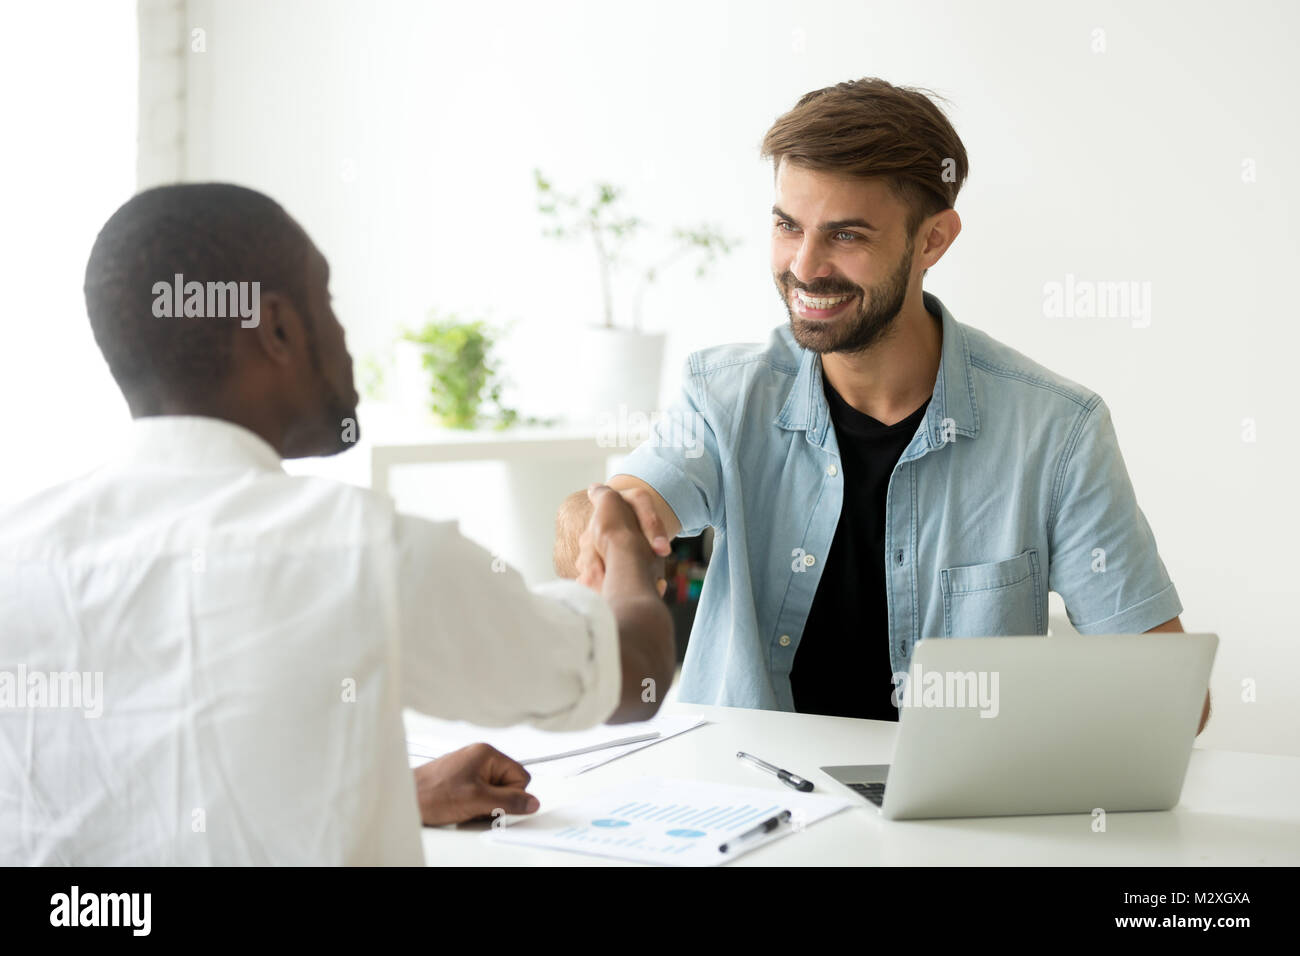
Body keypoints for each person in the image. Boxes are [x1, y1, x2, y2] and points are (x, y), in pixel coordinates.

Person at [0, 183, 674, 865]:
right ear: (280, 330)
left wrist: (393, 791)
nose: (346, 336)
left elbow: (150, 792)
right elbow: (635, 673)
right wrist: (619, 542)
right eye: (329, 302)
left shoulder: (15, 555)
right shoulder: (362, 551)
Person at [557, 77, 1209, 731]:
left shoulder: (1057, 433)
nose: (805, 267)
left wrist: (1037, 734)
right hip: (750, 802)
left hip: (953, 818)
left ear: (933, 240)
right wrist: (607, 519)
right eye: (788, 227)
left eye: (846, 236)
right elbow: (613, 512)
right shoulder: (724, 395)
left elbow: (1174, 698)